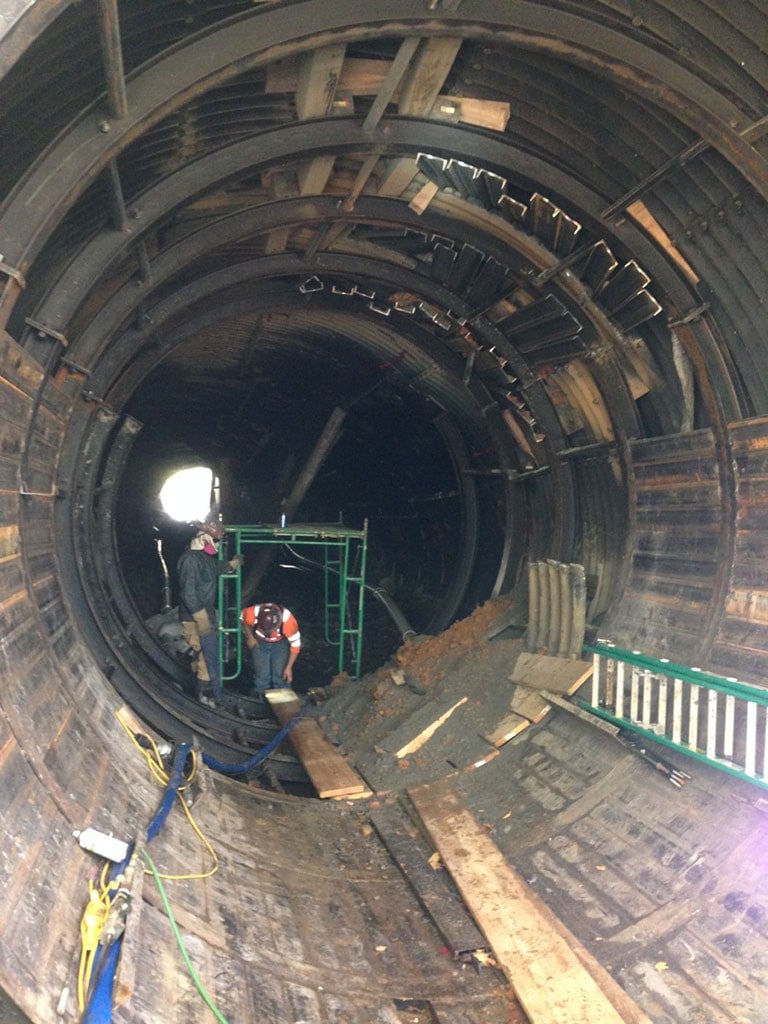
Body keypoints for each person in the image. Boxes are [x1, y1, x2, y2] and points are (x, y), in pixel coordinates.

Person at [177, 522, 242, 706]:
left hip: (204, 616)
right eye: (216, 540)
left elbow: (218, 567)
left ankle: (202, 694)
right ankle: (205, 698)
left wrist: (233, 564)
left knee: (206, 658)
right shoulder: (190, 559)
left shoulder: (204, 559)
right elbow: (188, 592)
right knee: (206, 659)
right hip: (194, 618)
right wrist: (200, 616)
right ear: (202, 537)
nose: (218, 544)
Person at [240, 602, 301, 697]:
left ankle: (284, 700)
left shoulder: (288, 621)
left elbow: (296, 646)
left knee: (280, 675)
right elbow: (243, 619)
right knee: (262, 675)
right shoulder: (252, 612)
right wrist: (250, 637)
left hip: (280, 644)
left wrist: (289, 667)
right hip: (259, 642)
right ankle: (259, 699)